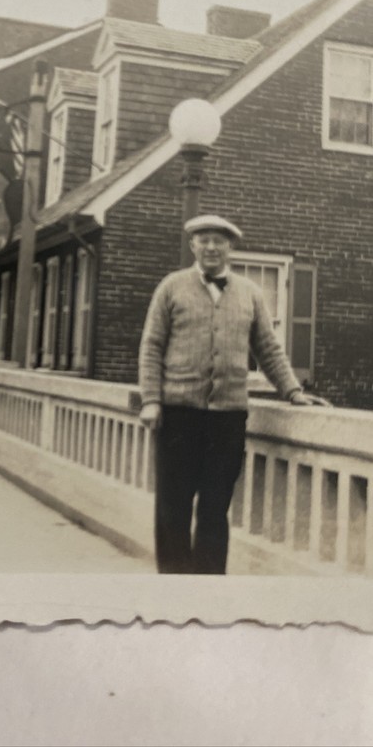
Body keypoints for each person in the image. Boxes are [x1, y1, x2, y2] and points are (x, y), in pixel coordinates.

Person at [138, 214, 328, 575]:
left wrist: (293, 391)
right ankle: (173, 592)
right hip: (177, 414)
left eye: (219, 241)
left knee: (214, 507)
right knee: (173, 508)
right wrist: (151, 400)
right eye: (204, 239)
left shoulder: (251, 294)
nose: (211, 247)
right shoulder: (171, 287)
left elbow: (268, 350)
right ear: (193, 245)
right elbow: (151, 346)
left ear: (231, 247)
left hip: (227, 418)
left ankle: (209, 593)